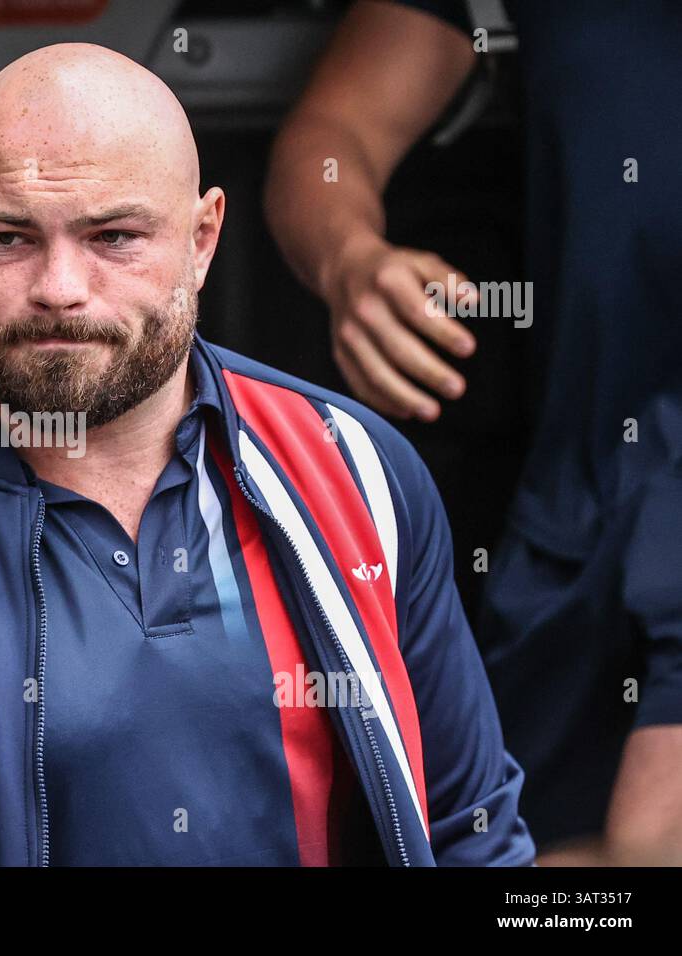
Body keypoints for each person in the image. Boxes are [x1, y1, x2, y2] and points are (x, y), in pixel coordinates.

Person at [0, 43, 533, 867]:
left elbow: (471, 830)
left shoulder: (355, 472)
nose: (59, 287)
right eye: (8, 237)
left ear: (202, 239)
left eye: (114, 236)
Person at [263, 0, 682, 864]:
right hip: (585, 500)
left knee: (646, 839)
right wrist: (351, 258)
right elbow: (336, 132)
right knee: (511, 840)